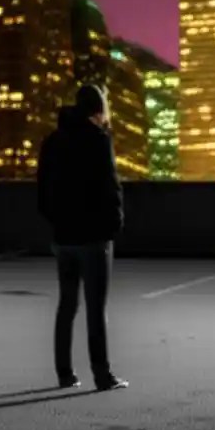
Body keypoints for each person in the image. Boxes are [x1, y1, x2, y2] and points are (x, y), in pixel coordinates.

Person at [36, 85, 130, 392]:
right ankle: (101, 375)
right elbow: (111, 186)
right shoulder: (98, 141)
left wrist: (55, 223)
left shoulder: (51, 142)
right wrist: (113, 226)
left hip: (63, 237)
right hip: (93, 238)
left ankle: (65, 374)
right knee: (95, 308)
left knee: (67, 305)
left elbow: (42, 191)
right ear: (98, 109)